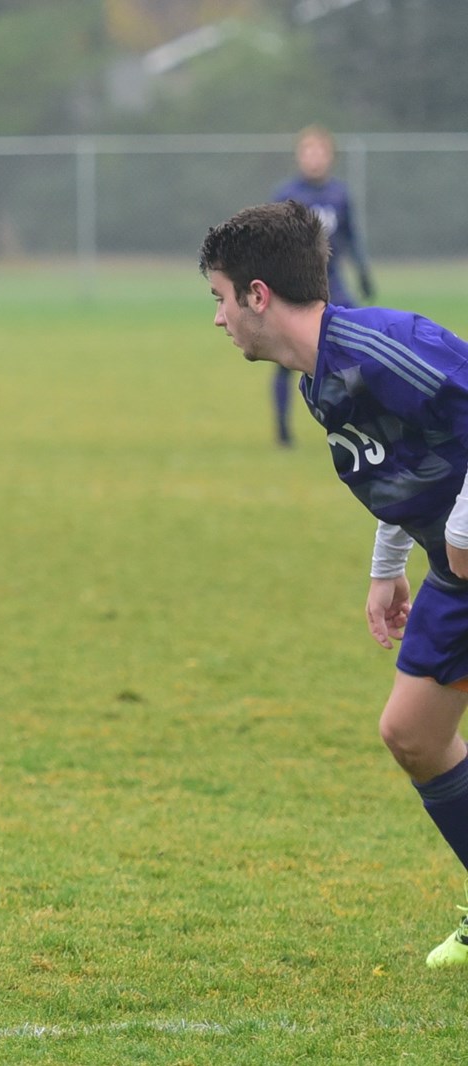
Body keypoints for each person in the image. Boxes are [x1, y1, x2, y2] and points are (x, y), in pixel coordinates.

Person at [200, 200, 468, 969]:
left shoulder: (389, 346)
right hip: (454, 573)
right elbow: (410, 457)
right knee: (413, 734)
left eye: (220, 298)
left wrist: (460, 531)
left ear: (258, 295)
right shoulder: (318, 375)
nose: (218, 320)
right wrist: (390, 564)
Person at [266, 125, 376, 447]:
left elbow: (351, 236)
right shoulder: (286, 194)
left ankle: (363, 421)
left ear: (329, 157)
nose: (314, 158)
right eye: (308, 152)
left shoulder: (339, 194)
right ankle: (283, 431)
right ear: (299, 156)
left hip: (334, 286)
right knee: (288, 358)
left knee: (358, 351)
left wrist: (364, 272)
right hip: (296, 286)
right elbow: (270, 242)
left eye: (320, 152)